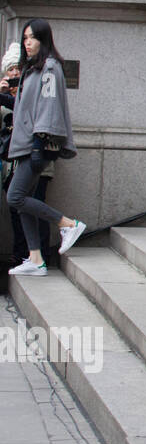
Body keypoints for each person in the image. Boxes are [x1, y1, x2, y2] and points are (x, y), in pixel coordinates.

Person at [5, 20, 85, 277]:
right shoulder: (33, 68)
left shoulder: (49, 67)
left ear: (44, 39)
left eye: (32, 38)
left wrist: (39, 143)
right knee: (21, 201)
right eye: (25, 38)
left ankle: (68, 224)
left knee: (15, 197)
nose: (27, 42)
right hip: (26, 145)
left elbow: (48, 106)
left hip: (35, 145)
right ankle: (36, 258)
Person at [2, 43, 55, 274]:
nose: (14, 73)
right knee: (17, 206)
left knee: (33, 204)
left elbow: (30, 112)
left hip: (36, 160)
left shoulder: (32, 87)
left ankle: (42, 250)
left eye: (17, 68)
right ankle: (24, 254)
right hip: (14, 163)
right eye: (9, 70)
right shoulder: (6, 97)